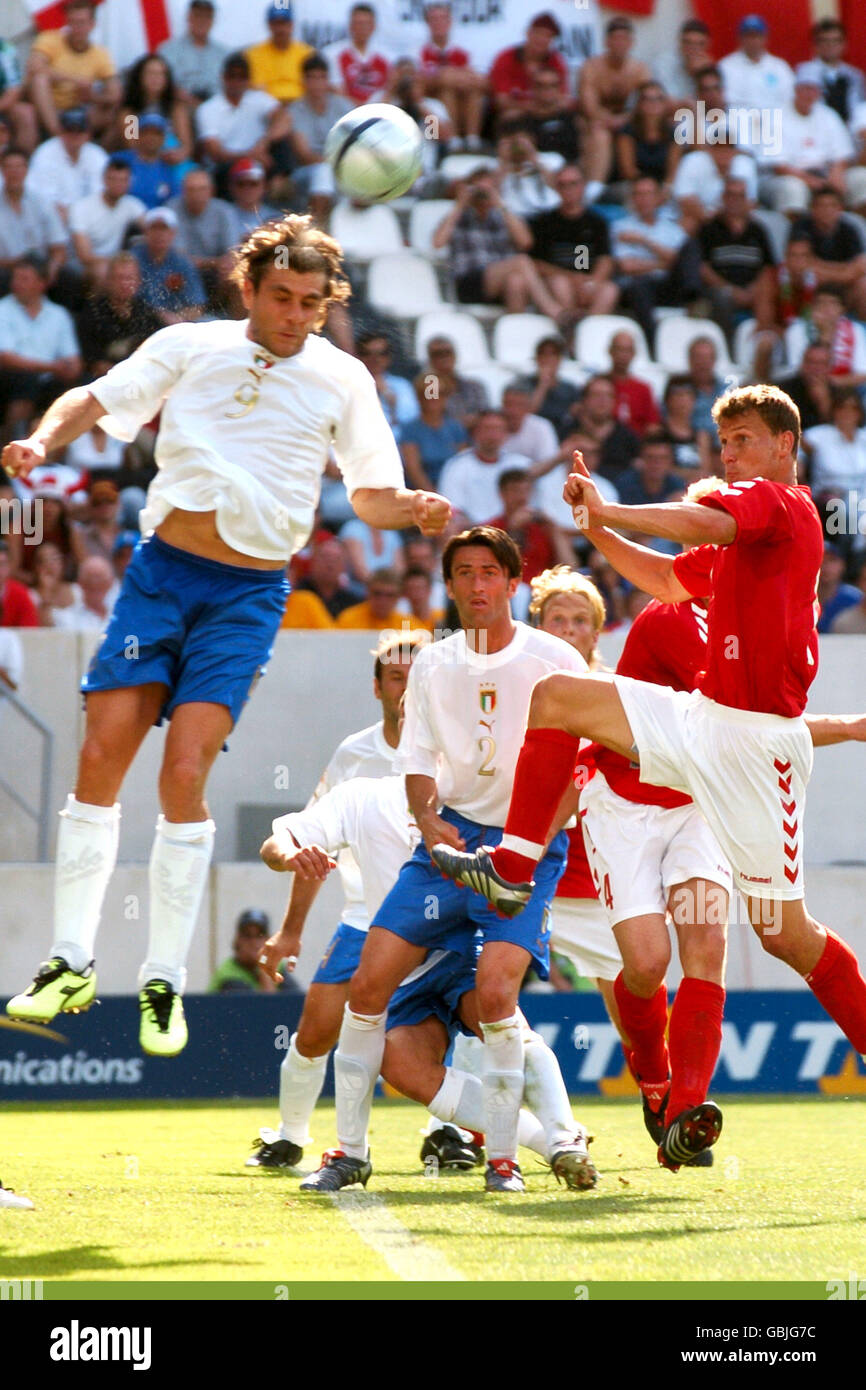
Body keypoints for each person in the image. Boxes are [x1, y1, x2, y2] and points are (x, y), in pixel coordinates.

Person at [3, 212, 451, 1058]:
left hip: (247, 595)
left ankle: (164, 978)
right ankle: (68, 960)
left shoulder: (344, 378)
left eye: (312, 303)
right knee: (100, 757)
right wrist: (37, 438)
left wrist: (413, 509)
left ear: (327, 305)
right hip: (159, 578)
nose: (294, 314)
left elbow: (369, 493)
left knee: (184, 769)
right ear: (248, 288)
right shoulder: (189, 347)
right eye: (281, 296)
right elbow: (92, 399)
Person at [432, 385, 866, 1167]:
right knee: (556, 694)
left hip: (759, 747)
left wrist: (615, 505)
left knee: (783, 936)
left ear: (782, 447)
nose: (726, 454)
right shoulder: (735, 545)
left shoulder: (783, 505)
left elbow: (704, 519)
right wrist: (595, 524)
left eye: (740, 439)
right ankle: (512, 868)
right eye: (721, 442)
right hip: (702, 728)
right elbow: (668, 578)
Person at [301, 525, 589, 1193]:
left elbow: (582, 767)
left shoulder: (555, 658)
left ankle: (507, 1161)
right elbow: (418, 761)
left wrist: (534, 841)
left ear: (514, 584)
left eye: (490, 572)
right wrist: (430, 824)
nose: (477, 584)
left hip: (528, 844)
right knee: (367, 986)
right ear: (450, 583)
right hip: (448, 843)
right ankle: (348, 1153)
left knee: (495, 996)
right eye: (464, 572)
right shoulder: (433, 662)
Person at [246, 633, 420, 1168]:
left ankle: (453, 1136)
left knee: (467, 1020)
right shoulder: (355, 754)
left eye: (418, 677)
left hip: (438, 919)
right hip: (365, 918)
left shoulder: (455, 750)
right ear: (377, 687)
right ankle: (290, 1135)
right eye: (396, 677)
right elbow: (310, 844)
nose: (407, 688)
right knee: (316, 1030)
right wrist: (292, 929)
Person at [433, 170, 565, 322]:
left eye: (489, 190)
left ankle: (516, 334)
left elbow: (525, 242)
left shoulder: (503, 216)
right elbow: (438, 243)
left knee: (516, 282)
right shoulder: (458, 217)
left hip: (498, 282)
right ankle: (554, 312)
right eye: (480, 190)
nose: (483, 196)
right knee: (521, 261)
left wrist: (500, 203)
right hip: (469, 282)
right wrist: (460, 205)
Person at [0, 254, 81, 435]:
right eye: (16, 278)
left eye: (24, 279)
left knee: (77, 388)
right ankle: (15, 439)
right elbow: (5, 358)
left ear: (41, 283)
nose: (16, 284)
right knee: (26, 381)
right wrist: (52, 367)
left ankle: (58, 454)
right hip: (11, 378)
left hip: (49, 379)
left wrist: (70, 370)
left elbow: (73, 360)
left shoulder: (59, 315)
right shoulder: (2, 309)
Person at [26, 0, 120, 142]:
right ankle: (58, 136)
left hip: (80, 110)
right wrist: (75, 80)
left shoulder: (101, 54)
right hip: (48, 108)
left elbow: (115, 94)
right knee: (40, 79)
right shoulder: (50, 38)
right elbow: (34, 66)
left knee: (128, 115)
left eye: (81, 23)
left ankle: (116, 152)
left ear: (92, 25)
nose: (76, 28)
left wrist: (93, 97)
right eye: (72, 22)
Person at [576, 17, 651, 194]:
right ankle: (593, 190)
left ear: (631, 43)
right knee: (599, 132)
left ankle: (641, 187)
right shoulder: (591, 67)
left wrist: (621, 120)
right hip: (597, 124)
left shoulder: (639, 70)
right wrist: (610, 120)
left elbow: (646, 103)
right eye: (616, 38)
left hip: (628, 123)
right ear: (606, 42)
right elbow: (589, 107)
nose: (620, 43)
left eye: (624, 39)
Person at [69, 157, 145, 287]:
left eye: (123, 180)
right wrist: (117, 264)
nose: (118, 184)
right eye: (113, 179)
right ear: (104, 180)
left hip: (115, 263)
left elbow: (152, 229)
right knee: (104, 272)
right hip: (83, 265)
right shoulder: (81, 207)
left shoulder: (132, 205)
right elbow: (84, 256)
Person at [132, 208, 206, 326]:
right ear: (146, 232)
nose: (159, 234)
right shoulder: (133, 259)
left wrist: (179, 318)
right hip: (140, 320)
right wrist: (160, 314)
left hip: (177, 322)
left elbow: (197, 304)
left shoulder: (183, 262)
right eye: (154, 228)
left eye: (164, 229)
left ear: (173, 233)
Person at [209, 907, 301, 992]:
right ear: (237, 940)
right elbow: (261, 1007)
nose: (254, 942)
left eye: (259, 935)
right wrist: (264, 971)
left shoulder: (277, 966)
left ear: (269, 940)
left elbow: (298, 1001)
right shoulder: (228, 973)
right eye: (247, 936)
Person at [158, 0, 229, 106]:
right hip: (182, 104)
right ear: (188, 17)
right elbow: (161, 82)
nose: (202, 21)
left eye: (207, 16)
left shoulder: (224, 53)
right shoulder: (169, 49)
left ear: (213, 21)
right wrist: (190, 100)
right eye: (198, 15)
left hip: (217, 107)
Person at [246, 2, 313, 106]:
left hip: (301, 109)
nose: (280, 29)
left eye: (284, 23)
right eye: (276, 23)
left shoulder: (308, 54)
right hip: (266, 109)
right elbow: (254, 89)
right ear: (269, 25)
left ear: (292, 25)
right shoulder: (252, 55)